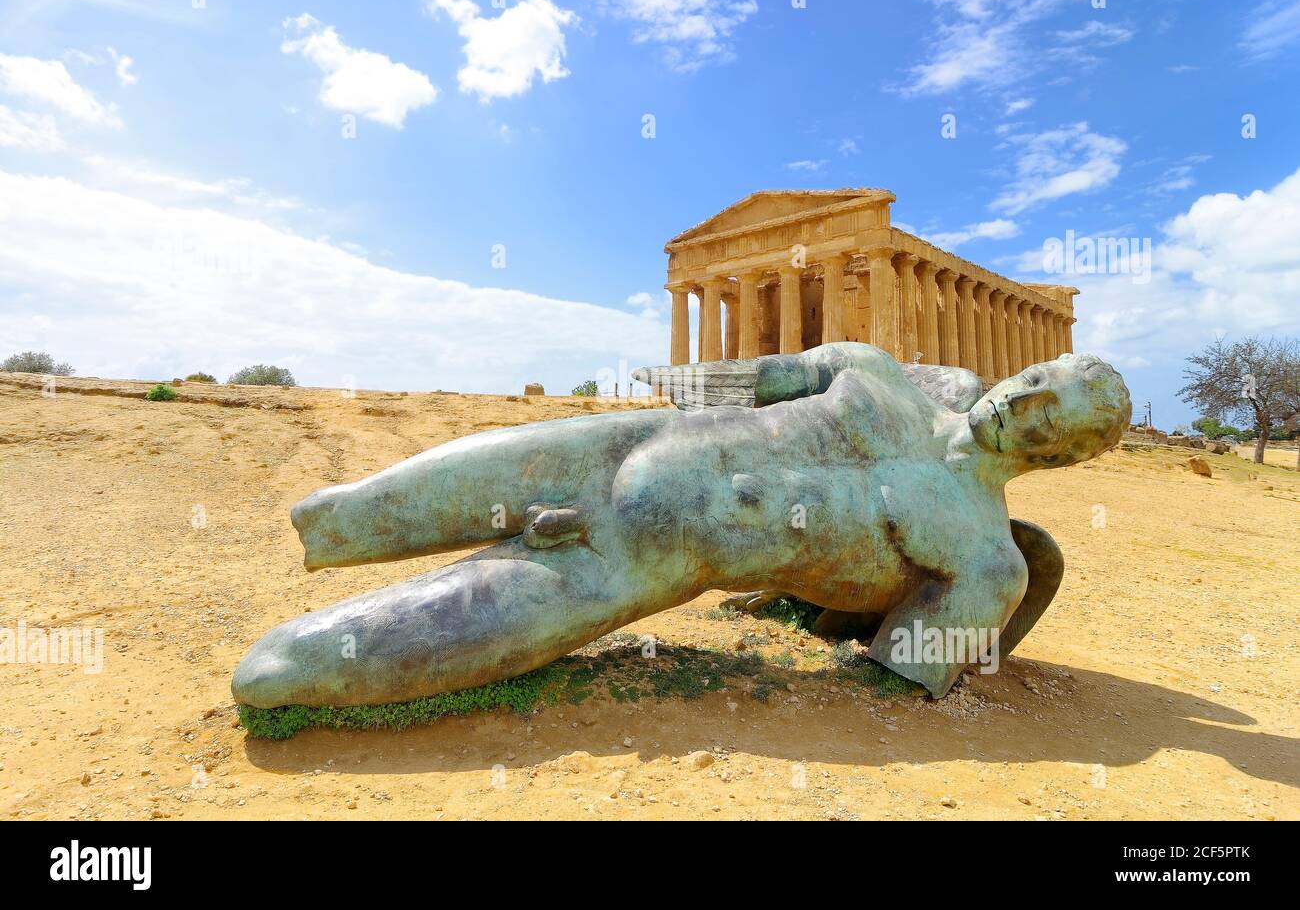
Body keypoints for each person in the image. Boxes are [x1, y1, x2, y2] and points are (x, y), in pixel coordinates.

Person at [232, 343, 1129, 708]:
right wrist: (662, 381)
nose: (1029, 401)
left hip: (643, 561)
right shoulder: (876, 371)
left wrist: (827, 615)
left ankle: (292, 683)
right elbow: (752, 379)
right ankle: (334, 530)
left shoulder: (988, 563)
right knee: (346, 512)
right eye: (1040, 378)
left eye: (1058, 417)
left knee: (277, 674)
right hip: (620, 442)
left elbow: (901, 678)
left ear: (1067, 457)